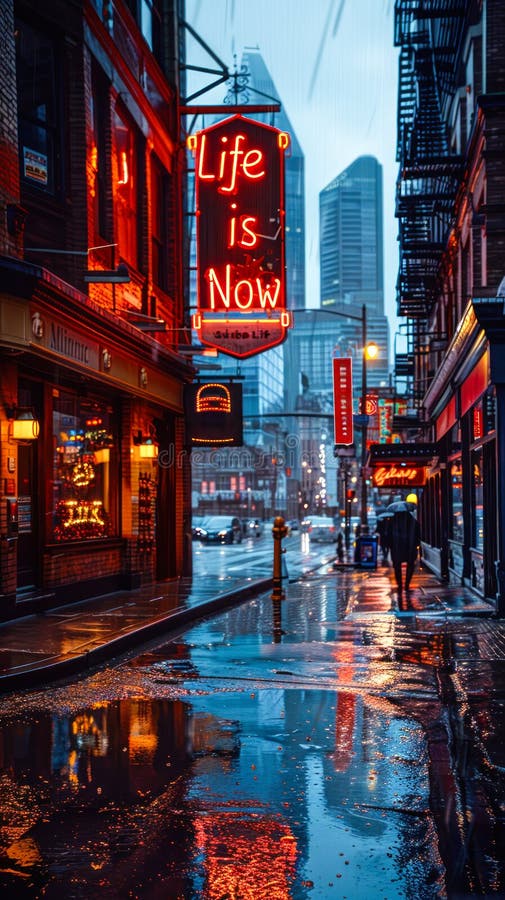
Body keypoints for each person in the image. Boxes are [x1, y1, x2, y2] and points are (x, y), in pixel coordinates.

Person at [386, 508, 420, 595]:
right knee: (410, 565)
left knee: (397, 567)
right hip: (410, 547)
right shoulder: (412, 521)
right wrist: (416, 544)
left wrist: (390, 545)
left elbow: (388, 535)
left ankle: (400, 585)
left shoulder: (392, 521)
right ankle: (407, 585)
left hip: (396, 548)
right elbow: (418, 533)